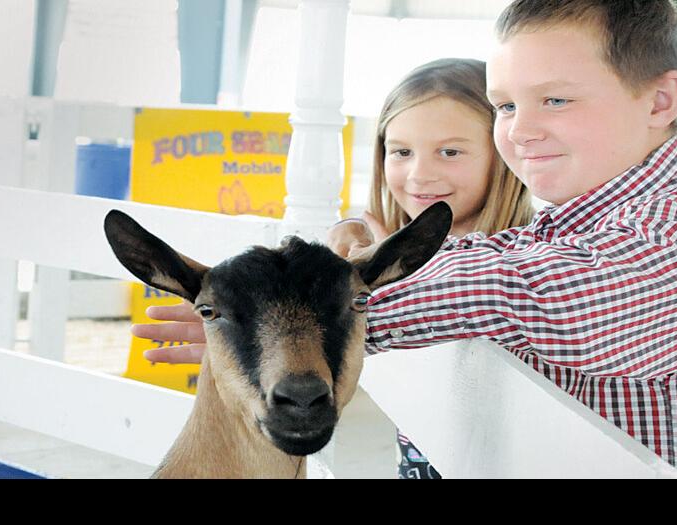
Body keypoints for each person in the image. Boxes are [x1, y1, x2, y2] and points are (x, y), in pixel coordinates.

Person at [137, 0, 677, 478]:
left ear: (660, 99)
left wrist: (315, 316)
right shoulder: (566, 228)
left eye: (554, 99)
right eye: (504, 106)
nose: (521, 131)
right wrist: (291, 318)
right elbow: (489, 260)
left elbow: (535, 296)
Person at [135, 57, 535, 479]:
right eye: (400, 151)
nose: (419, 174)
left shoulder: (522, 258)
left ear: (503, 150)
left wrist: (353, 295)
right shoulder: (369, 250)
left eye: (450, 151)